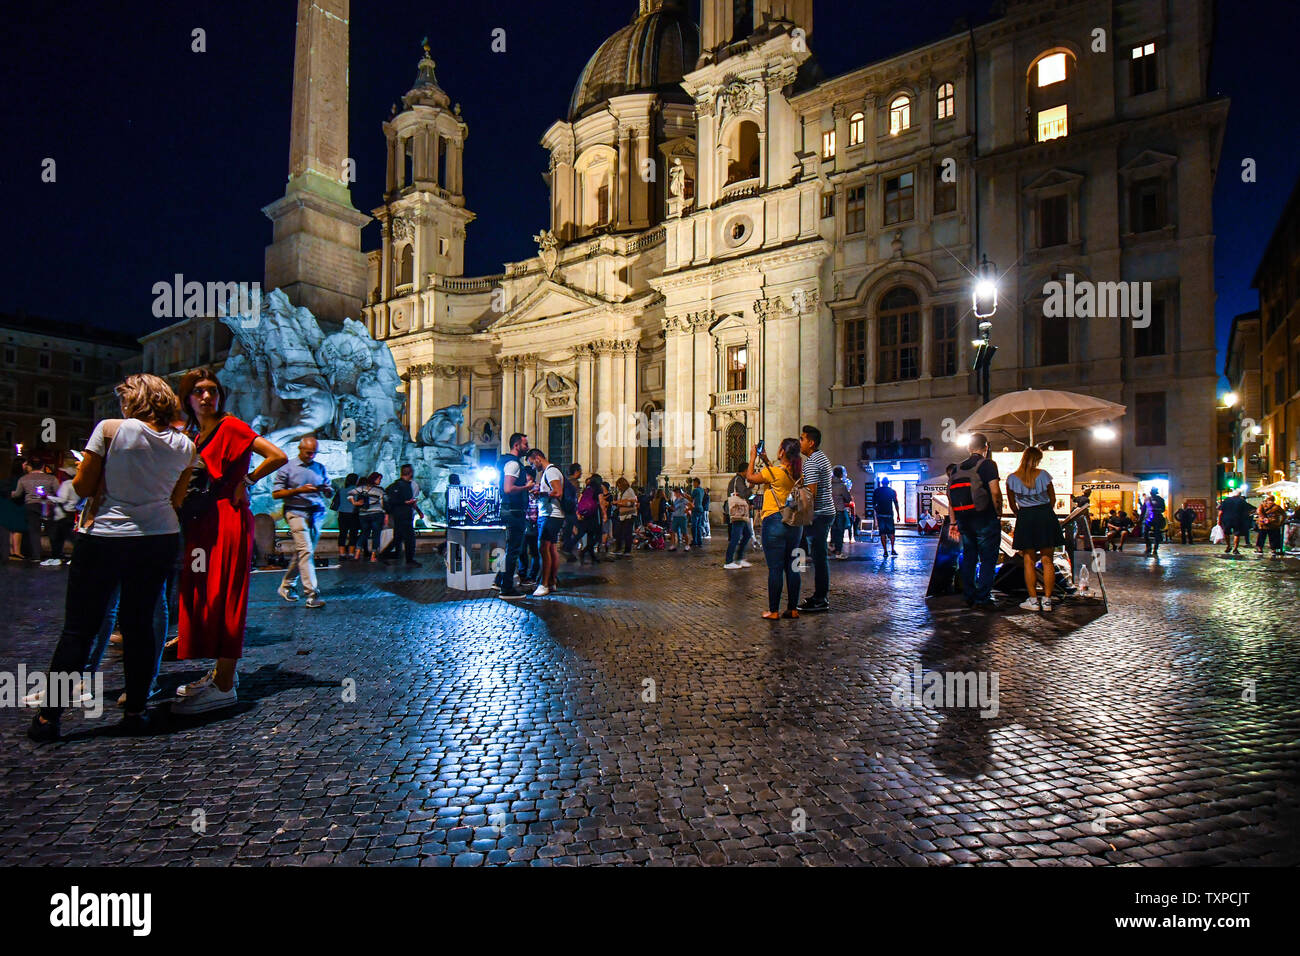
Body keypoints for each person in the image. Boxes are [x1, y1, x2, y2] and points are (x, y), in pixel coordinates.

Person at [28, 374, 195, 742]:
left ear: (135, 400)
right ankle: (136, 711)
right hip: (158, 538)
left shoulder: (110, 429)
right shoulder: (185, 444)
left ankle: (49, 718)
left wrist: (99, 480)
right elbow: (176, 500)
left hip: (104, 536)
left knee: (80, 629)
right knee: (139, 628)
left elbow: (83, 486)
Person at [173, 369, 289, 714]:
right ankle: (222, 672)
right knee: (205, 593)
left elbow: (277, 455)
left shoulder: (231, 425)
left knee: (226, 597)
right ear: (187, 398)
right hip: (202, 521)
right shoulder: (198, 434)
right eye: (199, 391)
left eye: (212, 391)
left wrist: (248, 480)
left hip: (228, 517)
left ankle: (224, 684)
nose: (207, 397)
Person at [744, 439, 803, 619]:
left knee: (775, 568)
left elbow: (750, 477)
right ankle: (793, 609)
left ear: (782, 452)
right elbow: (779, 477)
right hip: (795, 523)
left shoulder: (774, 473)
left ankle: (773, 610)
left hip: (774, 521)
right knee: (793, 567)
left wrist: (753, 457)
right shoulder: (798, 474)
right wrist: (767, 460)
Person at [272, 435, 331, 604]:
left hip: (317, 513)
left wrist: (327, 490)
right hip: (295, 512)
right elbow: (276, 494)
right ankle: (312, 594)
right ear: (300, 449)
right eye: (308, 453)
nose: (311, 456)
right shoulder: (287, 468)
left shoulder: (319, 467)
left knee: (303, 552)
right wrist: (298, 490)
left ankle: (287, 585)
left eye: (314, 453)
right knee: (305, 551)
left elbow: (329, 490)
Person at [1005, 445, 1065, 612]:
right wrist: (1044, 511)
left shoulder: (1012, 479)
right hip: (1045, 515)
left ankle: (1033, 600)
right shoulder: (1044, 475)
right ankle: (1047, 601)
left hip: (1025, 517)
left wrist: (1022, 513)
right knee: (1047, 560)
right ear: (1036, 459)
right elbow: (1052, 499)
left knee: (1028, 560)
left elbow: (1011, 504)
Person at [947, 433, 1003, 611]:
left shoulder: (956, 468)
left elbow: (950, 499)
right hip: (984, 518)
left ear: (968, 448)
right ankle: (983, 598)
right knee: (988, 558)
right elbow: (995, 491)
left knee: (969, 557)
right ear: (986, 447)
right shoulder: (987, 465)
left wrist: (953, 522)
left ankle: (968, 595)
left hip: (964, 519)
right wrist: (998, 512)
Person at [797, 425, 835, 613]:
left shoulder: (812, 462)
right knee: (819, 556)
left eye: (802, 439)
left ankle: (820, 598)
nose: (800, 442)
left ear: (810, 443)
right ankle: (820, 596)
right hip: (827, 512)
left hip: (819, 514)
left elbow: (810, 494)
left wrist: (805, 517)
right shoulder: (822, 458)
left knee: (819, 558)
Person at [497, 432, 534, 599]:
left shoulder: (507, 462)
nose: (527, 448)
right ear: (517, 445)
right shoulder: (513, 464)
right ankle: (506, 588)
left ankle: (500, 580)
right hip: (513, 511)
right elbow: (508, 489)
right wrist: (526, 487)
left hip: (510, 510)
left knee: (511, 550)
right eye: (525, 445)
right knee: (513, 550)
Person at [525, 448, 565, 596]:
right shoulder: (549, 472)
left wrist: (539, 493)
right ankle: (552, 582)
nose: (533, 467)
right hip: (552, 515)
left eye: (532, 464)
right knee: (552, 550)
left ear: (537, 458)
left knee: (544, 549)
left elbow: (558, 491)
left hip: (550, 515)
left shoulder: (550, 471)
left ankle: (544, 584)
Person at [11, 456, 60, 562]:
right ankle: (56, 554)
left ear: (30, 467)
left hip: (31, 505)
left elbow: (18, 494)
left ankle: (36, 555)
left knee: (34, 531)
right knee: (51, 530)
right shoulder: (51, 478)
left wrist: (12, 494)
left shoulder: (23, 479)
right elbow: (58, 492)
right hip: (47, 505)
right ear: (43, 466)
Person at [381, 464, 422, 566]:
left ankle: (384, 555)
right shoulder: (405, 485)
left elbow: (388, 499)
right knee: (409, 538)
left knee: (398, 537)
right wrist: (406, 503)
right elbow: (407, 501)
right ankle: (409, 559)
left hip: (398, 515)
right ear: (410, 473)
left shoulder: (395, 485)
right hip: (404, 515)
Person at [45, 471, 81, 565]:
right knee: (69, 536)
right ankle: (68, 557)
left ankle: (57, 557)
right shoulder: (77, 484)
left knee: (57, 537)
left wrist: (48, 497)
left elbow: (62, 499)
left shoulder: (66, 484)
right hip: (71, 513)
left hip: (61, 515)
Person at [350, 472, 385, 561]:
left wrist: (354, 502)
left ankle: (357, 554)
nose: (380, 481)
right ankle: (373, 556)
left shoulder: (361, 488)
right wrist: (385, 512)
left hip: (363, 514)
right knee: (376, 534)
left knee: (364, 533)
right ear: (374, 479)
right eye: (379, 479)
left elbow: (350, 493)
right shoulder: (379, 490)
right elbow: (383, 502)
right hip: (376, 513)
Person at [723, 469, 754, 569]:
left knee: (747, 534)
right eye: (748, 471)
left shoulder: (738, 480)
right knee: (736, 537)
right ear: (744, 471)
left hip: (740, 512)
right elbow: (743, 494)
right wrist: (750, 488)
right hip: (738, 511)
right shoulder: (738, 480)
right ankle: (728, 561)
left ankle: (739, 558)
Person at [577, 473, 604, 564]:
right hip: (595, 515)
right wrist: (604, 514)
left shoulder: (587, 489)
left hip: (587, 515)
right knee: (597, 536)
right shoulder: (598, 489)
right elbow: (601, 502)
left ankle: (592, 557)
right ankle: (584, 551)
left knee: (590, 536)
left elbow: (579, 501)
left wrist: (579, 512)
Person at [873, 475, 902, 558]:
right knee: (891, 533)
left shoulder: (877, 491)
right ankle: (892, 549)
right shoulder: (892, 491)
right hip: (889, 514)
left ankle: (885, 551)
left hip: (880, 515)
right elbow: (896, 503)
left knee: (882, 533)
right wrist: (898, 514)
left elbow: (874, 504)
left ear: (881, 483)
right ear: (888, 483)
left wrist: (877, 513)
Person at [335, 473, 361, 559]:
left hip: (342, 514)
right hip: (353, 514)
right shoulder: (357, 490)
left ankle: (342, 554)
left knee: (342, 534)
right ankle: (351, 553)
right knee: (353, 534)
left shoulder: (341, 490)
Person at [1217, 490, 1251, 556]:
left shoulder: (1226, 500)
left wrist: (1219, 520)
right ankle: (1235, 548)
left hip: (1227, 519)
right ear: (1239, 495)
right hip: (1238, 519)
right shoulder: (1242, 501)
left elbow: (1220, 512)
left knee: (1226, 533)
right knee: (1237, 534)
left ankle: (1228, 546)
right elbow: (1248, 510)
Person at [560, 463, 583, 560]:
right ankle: (566, 548)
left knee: (569, 530)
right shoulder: (574, 482)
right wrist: (578, 511)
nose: (581, 474)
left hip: (566, 509)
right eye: (580, 471)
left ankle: (567, 548)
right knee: (579, 530)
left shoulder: (565, 481)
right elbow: (576, 498)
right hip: (572, 510)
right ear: (576, 471)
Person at [830, 466, 853, 557]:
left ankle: (833, 546)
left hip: (830, 510)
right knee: (840, 531)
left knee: (833, 529)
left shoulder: (829, 484)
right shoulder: (842, 486)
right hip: (839, 509)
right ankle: (838, 550)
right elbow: (848, 498)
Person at [612, 477, 637, 555]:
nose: (618, 487)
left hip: (629, 515)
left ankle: (627, 550)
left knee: (627, 533)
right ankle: (619, 548)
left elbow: (633, 502)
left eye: (619, 485)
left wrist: (620, 503)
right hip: (622, 514)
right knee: (618, 532)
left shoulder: (630, 491)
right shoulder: (620, 493)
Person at [1141, 487, 1167, 557]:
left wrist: (1156, 510)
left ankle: (1155, 548)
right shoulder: (1147, 499)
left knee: (1157, 533)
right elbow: (1143, 509)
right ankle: (1148, 546)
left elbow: (1163, 509)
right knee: (1145, 533)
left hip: (1157, 518)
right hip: (1148, 518)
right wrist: (1141, 518)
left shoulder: (1160, 500)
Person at [690, 477, 706, 547]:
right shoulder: (702, 490)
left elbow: (691, 499)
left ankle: (695, 541)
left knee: (694, 526)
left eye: (693, 482)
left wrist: (684, 495)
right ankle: (699, 541)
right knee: (699, 526)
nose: (693, 484)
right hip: (701, 508)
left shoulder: (695, 490)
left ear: (696, 482)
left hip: (695, 509)